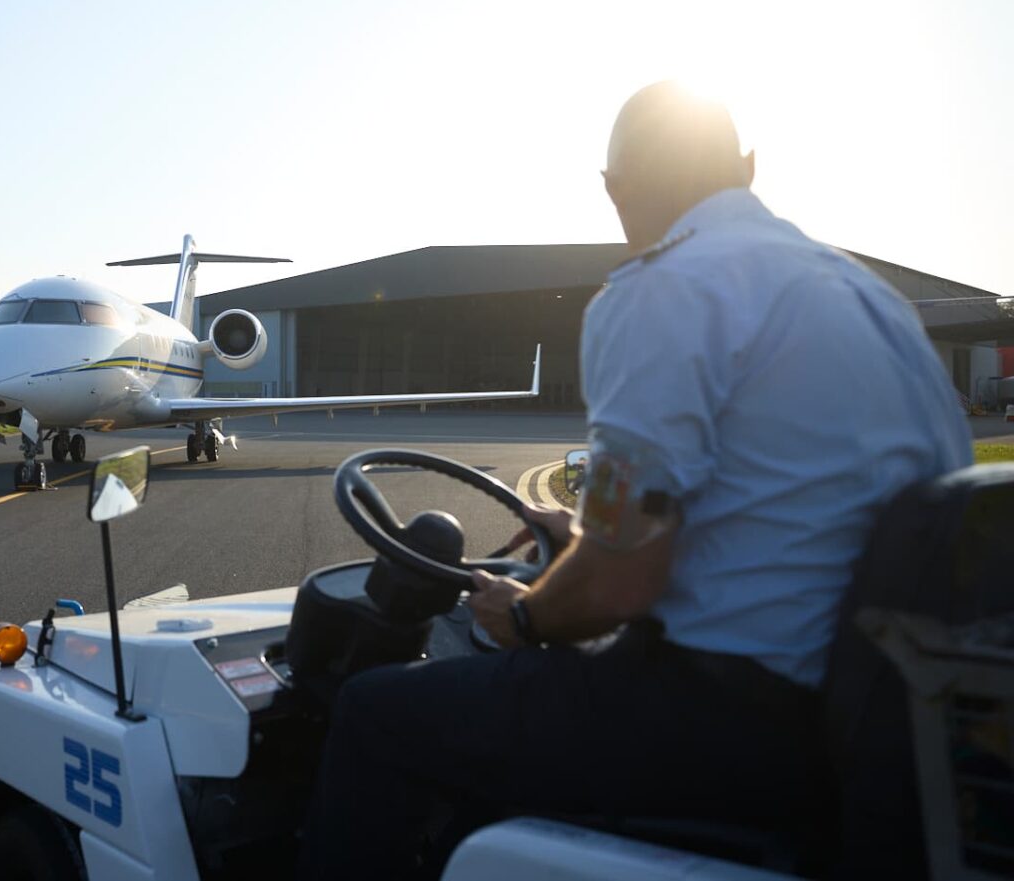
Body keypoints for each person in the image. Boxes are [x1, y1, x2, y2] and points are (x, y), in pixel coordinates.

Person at [294, 81, 972, 879]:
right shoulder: (871, 301)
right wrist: (585, 539)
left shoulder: (665, 290)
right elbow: (775, 520)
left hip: (734, 718)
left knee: (376, 713)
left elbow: (619, 584)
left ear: (615, 189)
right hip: (882, 717)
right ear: (749, 167)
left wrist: (527, 613)